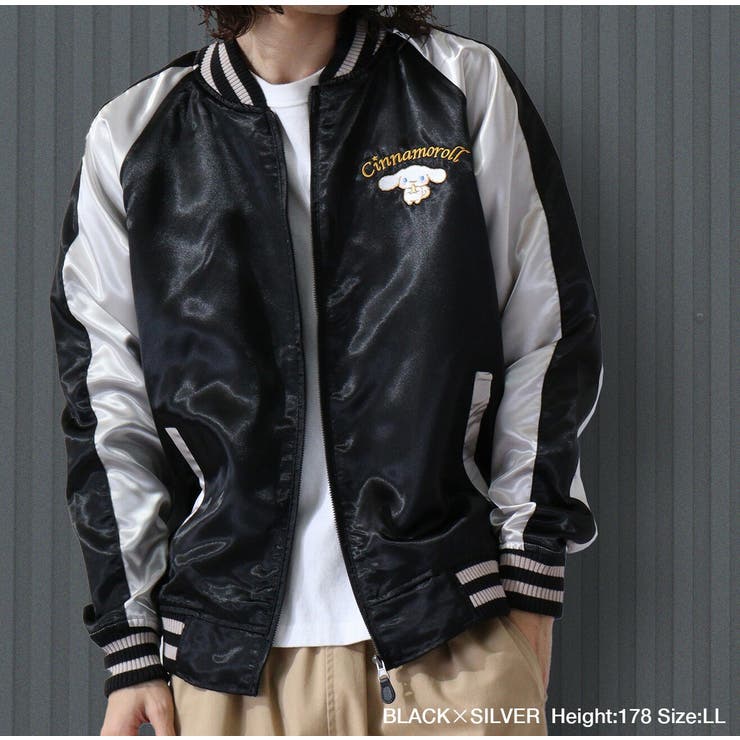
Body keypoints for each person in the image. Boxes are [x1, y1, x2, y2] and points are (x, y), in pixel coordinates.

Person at [49, 4, 603, 736]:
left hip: (452, 628)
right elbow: (107, 408)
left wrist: (529, 593)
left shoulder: (458, 85)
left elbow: (547, 336)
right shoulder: (134, 136)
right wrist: (132, 645)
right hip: (226, 664)